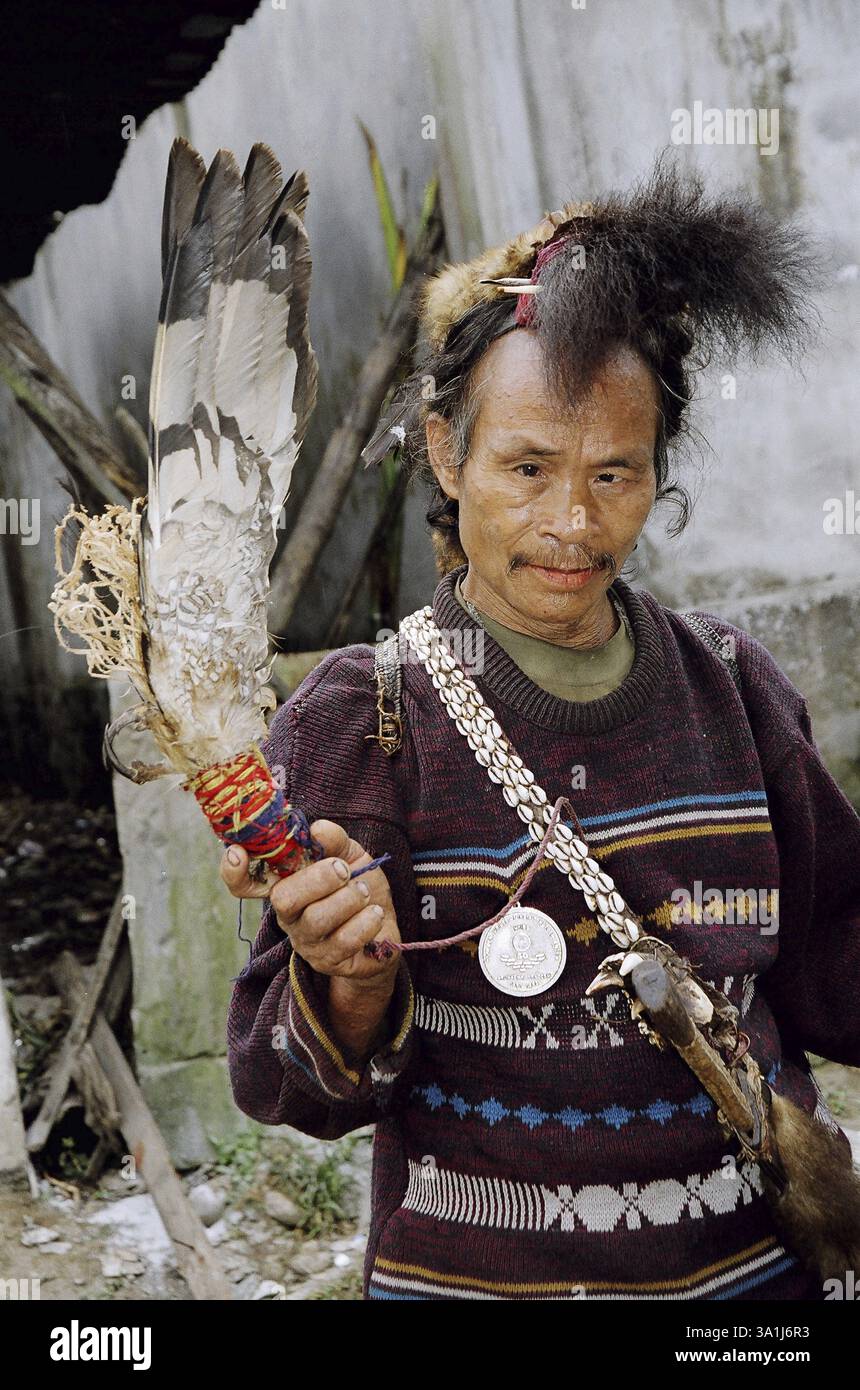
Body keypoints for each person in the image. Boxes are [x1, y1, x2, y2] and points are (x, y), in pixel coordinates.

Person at [223, 163, 860, 1300]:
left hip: (745, 1287)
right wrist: (346, 979)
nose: (572, 520)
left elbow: (832, 970)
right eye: (527, 467)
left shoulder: (733, 690)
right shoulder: (362, 721)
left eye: (613, 472)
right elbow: (286, 1091)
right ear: (443, 450)